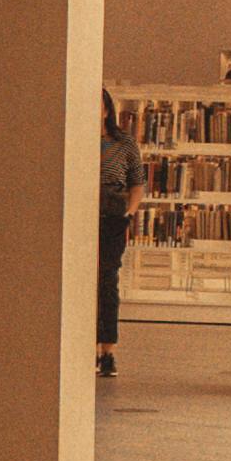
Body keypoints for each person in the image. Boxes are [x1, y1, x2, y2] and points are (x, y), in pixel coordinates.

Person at [97, 89, 139, 375]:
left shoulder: (124, 142)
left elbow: (137, 182)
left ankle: (107, 349)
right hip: (78, 212)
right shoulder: (73, 138)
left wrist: (129, 212)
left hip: (112, 213)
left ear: (106, 110)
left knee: (107, 279)